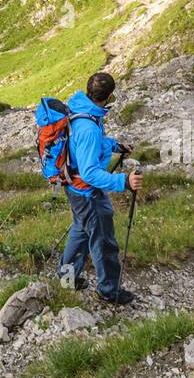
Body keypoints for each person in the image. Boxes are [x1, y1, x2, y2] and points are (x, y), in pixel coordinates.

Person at [58, 71, 142, 305]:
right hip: (87, 192)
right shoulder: (88, 128)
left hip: (74, 187)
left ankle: (66, 279)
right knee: (104, 241)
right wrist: (124, 182)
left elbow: (87, 147)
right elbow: (90, 172)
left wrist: (115, 145)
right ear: (109, 96)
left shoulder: (82, 109)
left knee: (80, 231)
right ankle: (108, 290)